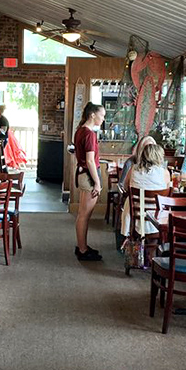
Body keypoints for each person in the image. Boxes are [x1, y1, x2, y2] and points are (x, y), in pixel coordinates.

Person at [74, 102, 106, 262]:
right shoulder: (89, 134)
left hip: (82, 174)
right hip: (88, 176)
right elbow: (90, 161)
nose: (103, 118)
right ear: (93, 115)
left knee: (82, 215)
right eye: (102, 115)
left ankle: (82, 245)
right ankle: (82, 249)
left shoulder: (80, 131)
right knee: (84, 216)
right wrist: (98, 183)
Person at [120, 138, 171, 236]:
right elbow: (167, 196)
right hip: (157, 217)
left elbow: (126, 187)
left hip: (136, 216)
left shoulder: (133, 169)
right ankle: (154, 248)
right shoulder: (165, 173)